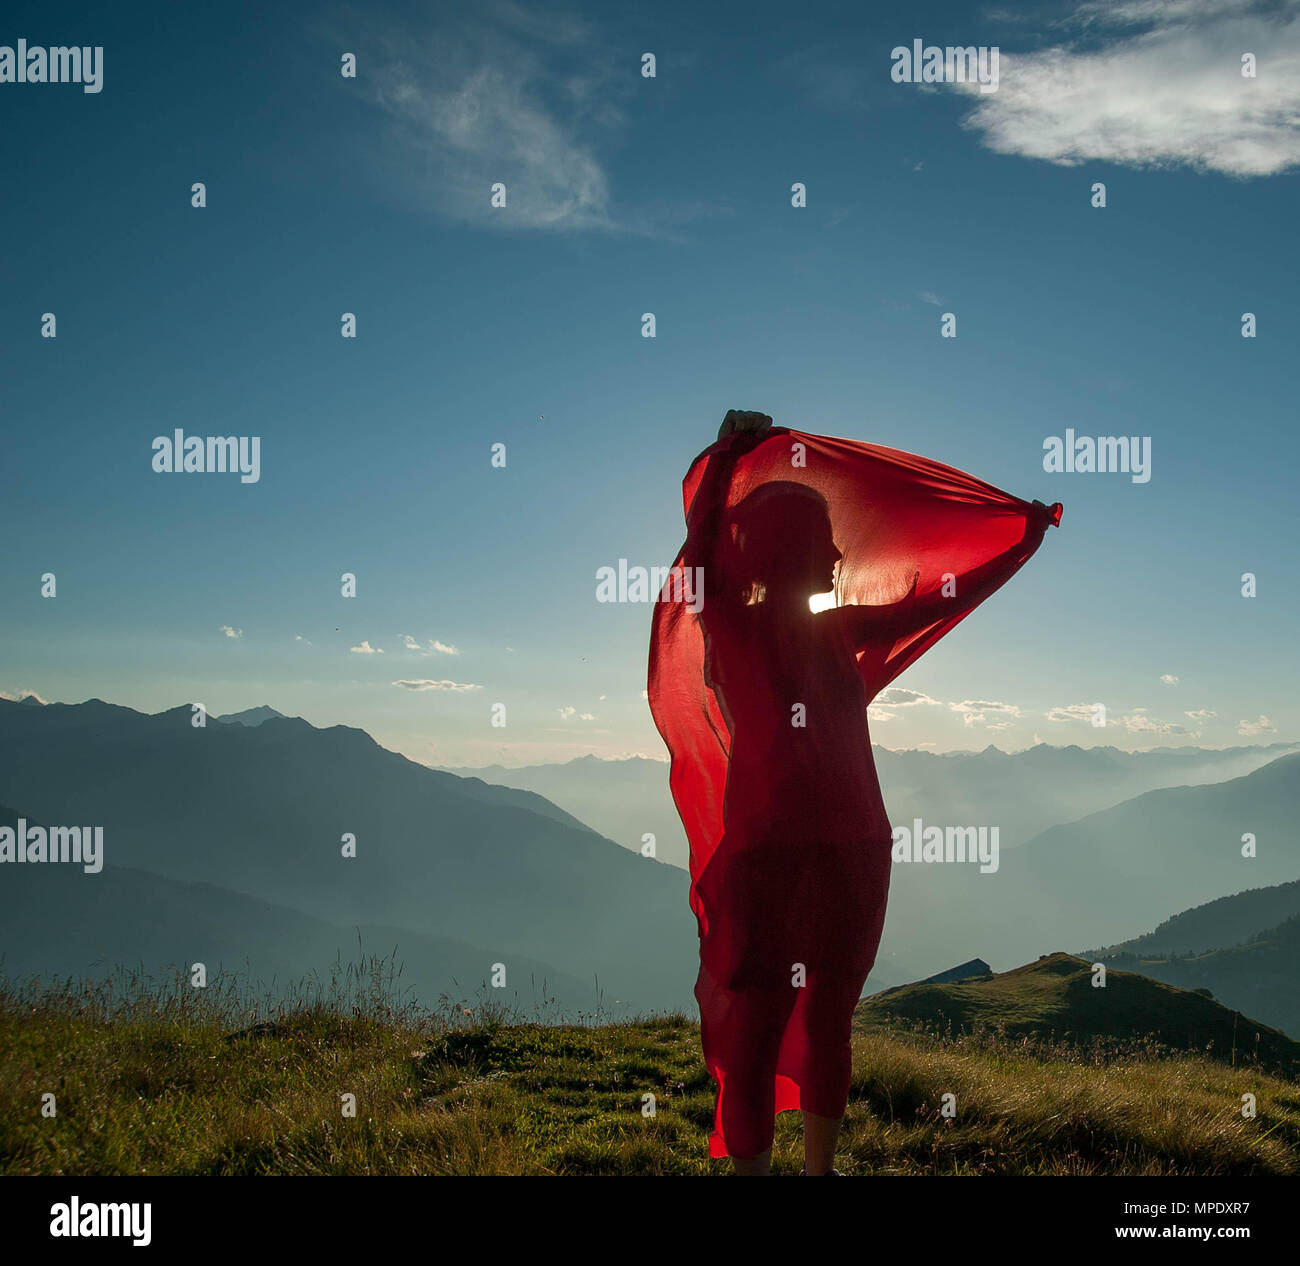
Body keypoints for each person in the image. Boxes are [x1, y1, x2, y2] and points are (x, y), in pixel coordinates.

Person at [648, 409, 1059, 1175]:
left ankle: (809, 1174)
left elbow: (940, 596)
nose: (839, 554)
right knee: (791, 1019)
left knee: (796, 1020)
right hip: (833, 846)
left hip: (819, 848)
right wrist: (732, 451)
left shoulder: (808, 629)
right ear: (786, 551)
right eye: (823, 540)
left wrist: (1019, 536)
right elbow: (704, 561)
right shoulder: (749, 629)